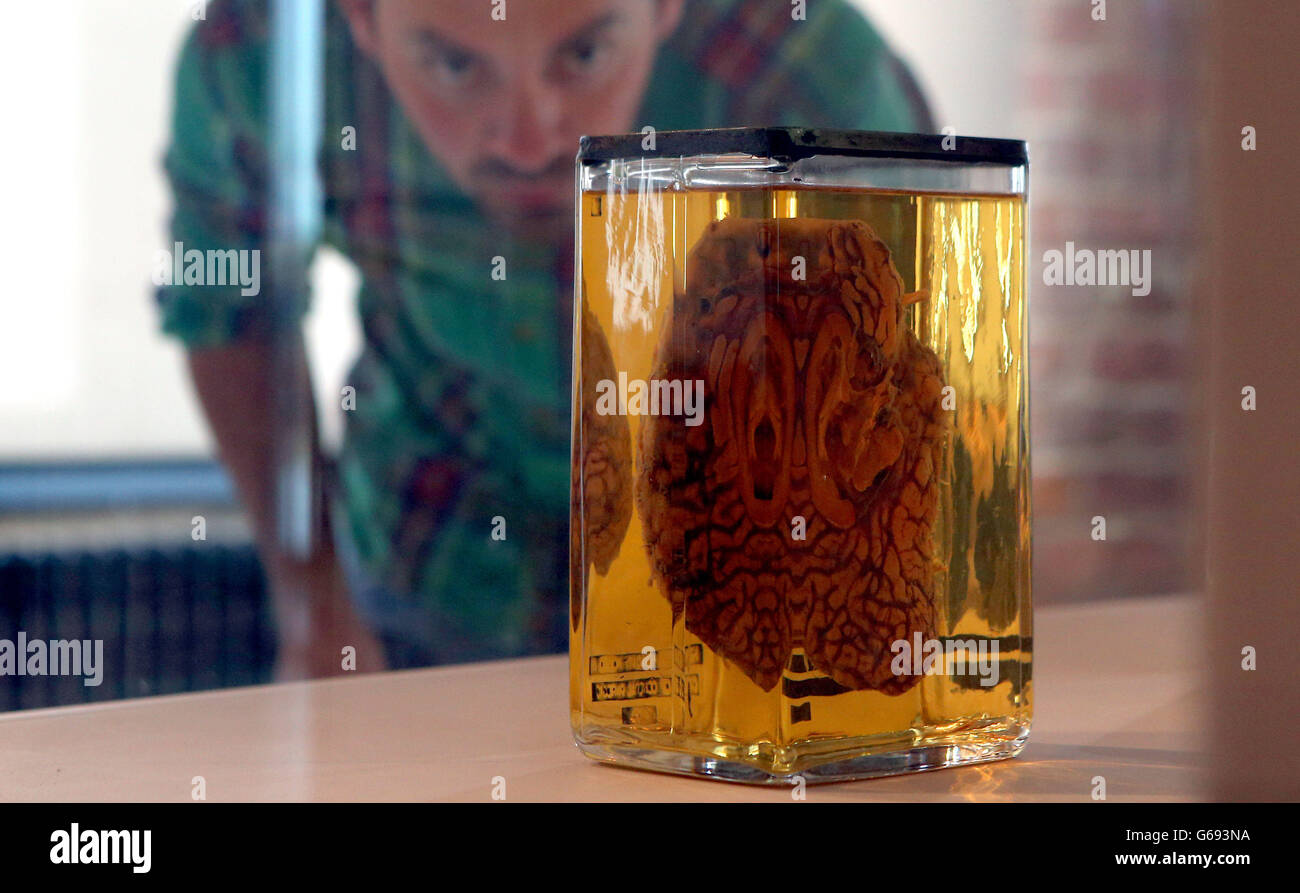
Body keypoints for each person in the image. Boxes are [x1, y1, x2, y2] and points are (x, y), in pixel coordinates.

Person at [156, 0, 932, 679]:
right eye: (455, 64)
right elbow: (231, 313)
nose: (528, 141)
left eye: (585, 53)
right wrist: (313, 615)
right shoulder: (254, 50)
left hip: (735, 594)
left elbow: (903, 397)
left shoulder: (813, 70)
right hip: (427, 562)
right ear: (360, 15)